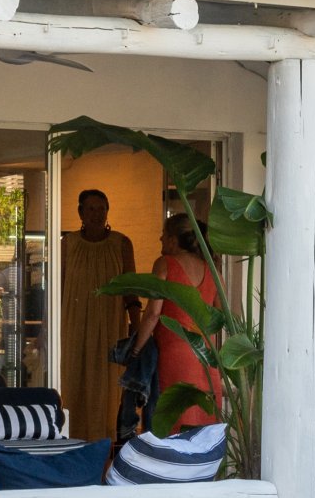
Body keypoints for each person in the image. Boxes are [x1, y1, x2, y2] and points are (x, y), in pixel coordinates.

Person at [127, 211, 222, 430]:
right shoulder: (211, 267)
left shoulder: (165, 264)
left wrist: (136, 351)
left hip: (173, 357)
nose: (160, 239)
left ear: (173, 238)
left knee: (170, 426)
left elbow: (152, 314)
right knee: (201, 428)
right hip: (205, 358)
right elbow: (222, 313)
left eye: (163, 234)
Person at [58, 188, 137, 441]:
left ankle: (104, 447)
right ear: (80, 212)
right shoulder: (67, 245)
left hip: (110, 327)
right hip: (74, 326)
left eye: (101, 209)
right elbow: (57, 288)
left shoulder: (121, 244)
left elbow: (131, 290)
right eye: (90, 209)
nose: (96, 214)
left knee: (107, 388)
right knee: (73, 384)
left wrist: (135, 328)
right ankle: (72, 444)